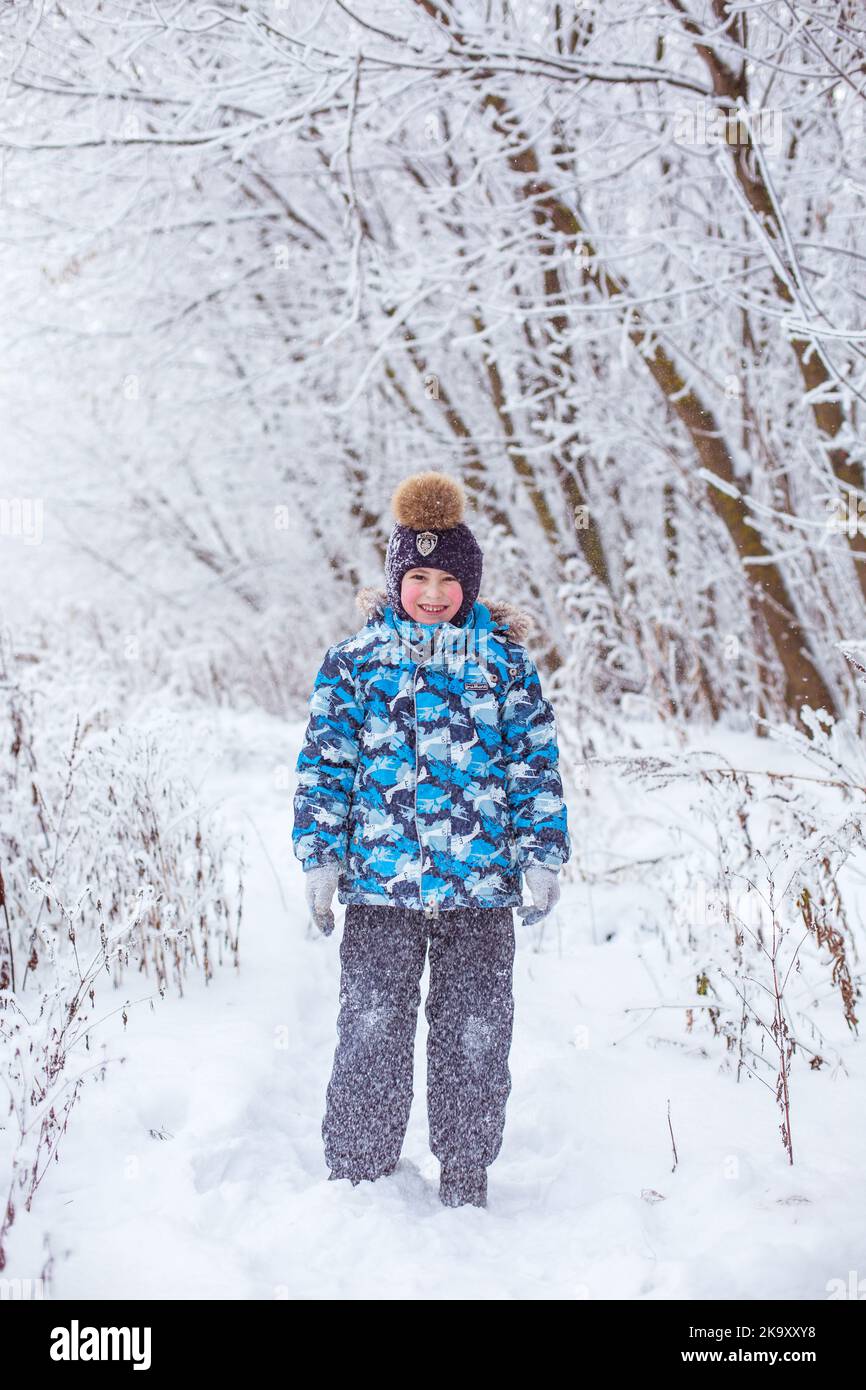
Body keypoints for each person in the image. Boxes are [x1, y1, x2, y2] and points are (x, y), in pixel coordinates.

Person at [291, 470, 570, 1207]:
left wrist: (541, 855)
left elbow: (533, 765)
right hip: (382, 888)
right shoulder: (355, 665)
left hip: (480, 892)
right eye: (419, 576)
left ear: (469, 583)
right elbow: (325, 765)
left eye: (449, 577)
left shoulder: (505, 665)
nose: (435, 592)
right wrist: (321, 859)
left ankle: (467, 1168)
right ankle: (358, 1173)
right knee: (372, 1030)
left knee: (476, 1036)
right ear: (396, 579)